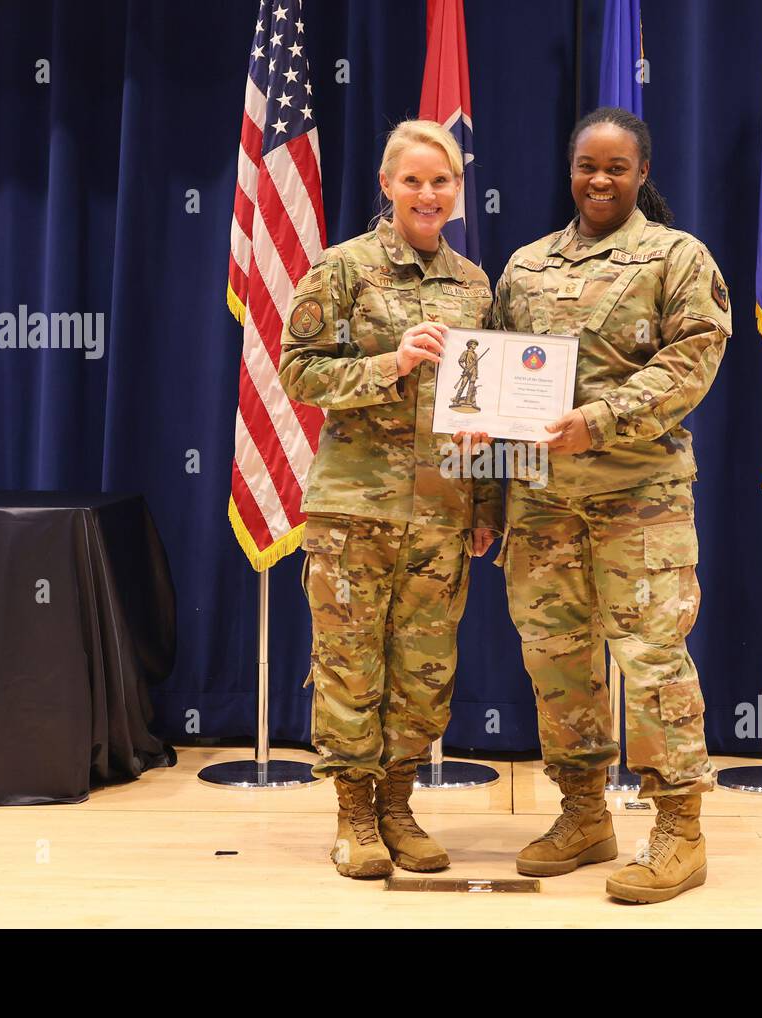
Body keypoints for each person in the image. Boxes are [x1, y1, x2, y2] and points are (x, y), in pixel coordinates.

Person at [491, 107, 732, 903]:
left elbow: (692, 360)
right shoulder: (526, 266)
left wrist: (598, 420)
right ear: (570, 171)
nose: (600, 179)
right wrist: (488, 488)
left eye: (616, 167)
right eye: (587, 165)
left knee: (653, 662)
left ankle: (679, 831)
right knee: (555, 660)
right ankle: (584, 813)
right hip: (542, 506)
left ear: (642, 173)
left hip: (640, 500)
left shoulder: (676, 257)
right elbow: (493, 384)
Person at [277, 120, 499, 879]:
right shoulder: (342, 269)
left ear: (458, 190)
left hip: (442, 514)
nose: (427, 194)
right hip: (356, 509)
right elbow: (297, 371)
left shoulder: (475, 284)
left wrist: (486, 504)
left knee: (424, 673)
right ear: (387, 184)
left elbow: (487, 404)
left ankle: (398, 806)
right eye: (413, 180)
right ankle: (354, 816)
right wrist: (388, 364)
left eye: (441, 181)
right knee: (349, 664)